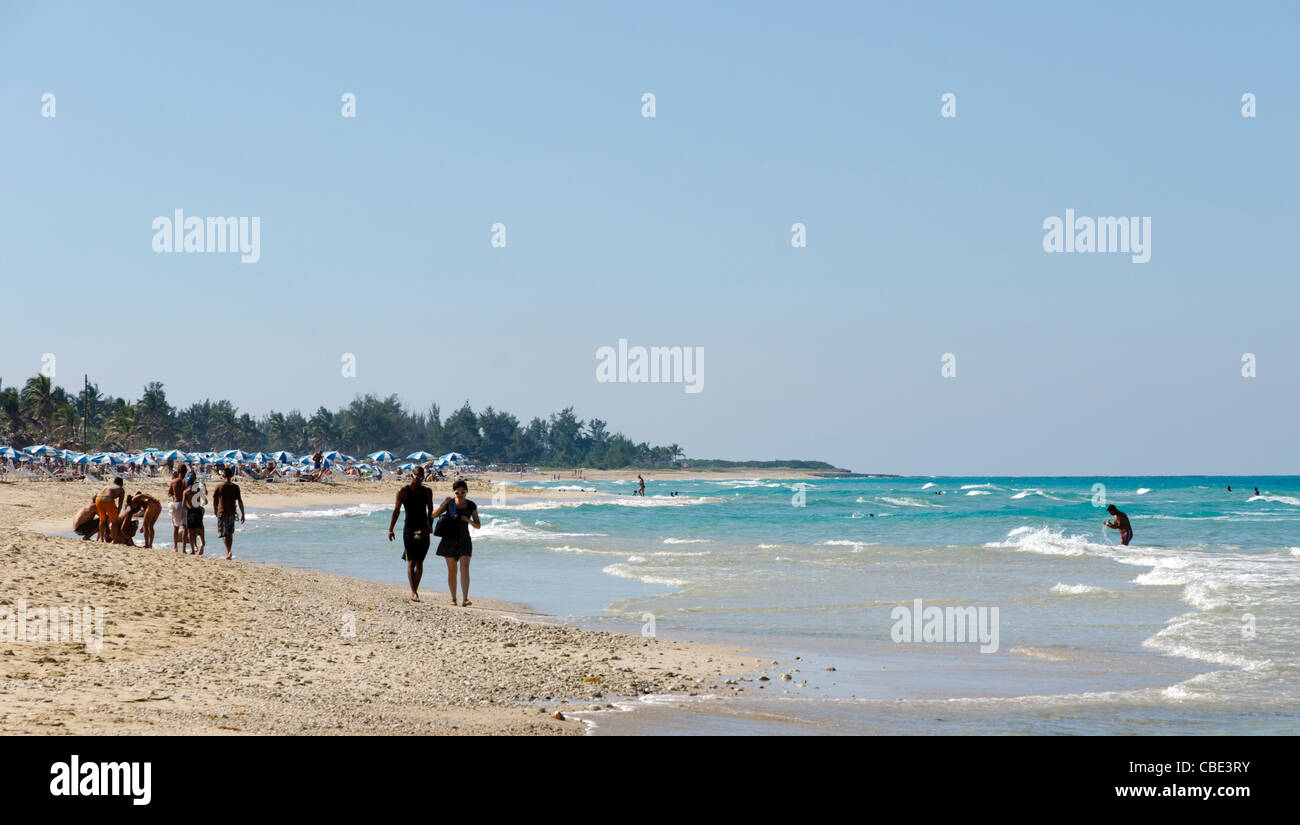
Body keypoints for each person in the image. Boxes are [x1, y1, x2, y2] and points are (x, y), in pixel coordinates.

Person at [387, 466, 434, 602]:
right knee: (411, 561)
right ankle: (414, 592)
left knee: (420, 562)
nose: (419, 480)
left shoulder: (427, 492)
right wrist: (391, 529)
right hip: (410, 530)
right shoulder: (403, 491)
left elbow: (430, 511)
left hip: (422, 529)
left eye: (421, 478)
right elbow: (396, 511)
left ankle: (415, 591)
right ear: (411, 476)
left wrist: (430, 526)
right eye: (417, 477)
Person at [431, 479, 480, 606]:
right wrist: (443, 504)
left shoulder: (471, 505)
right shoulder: (450, 503)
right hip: (449, 539)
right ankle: (453, 599)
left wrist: (469, 521)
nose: (460, 494)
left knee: (465, 567)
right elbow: (433, 515)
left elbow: (478, 525)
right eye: (457, 492)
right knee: (452, 571)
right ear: (454, 492)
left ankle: (465, 599)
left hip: (464, 539)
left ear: (466, 492)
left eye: (462, 492)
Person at [212, 467, 245, 560]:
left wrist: (215, 510)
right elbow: (240, 501)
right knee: (229, 533)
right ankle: (229, 551)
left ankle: (228, 552)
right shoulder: (235, 487)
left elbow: (214, 500)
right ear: (232, 476)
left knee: (224, 533)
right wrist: (243, 514)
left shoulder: (219, 486)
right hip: (231, 513)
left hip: (221, 512)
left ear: (223, 475)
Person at [93, 477, 126, 543]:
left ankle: (101, 539)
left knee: (102, 520)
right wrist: (117, 514)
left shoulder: (107, 486)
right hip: (108, 499)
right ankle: (114, 540)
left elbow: (94, 496)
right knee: (113, 522)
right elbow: (120, 503)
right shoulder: (121, 489)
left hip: (98, 499)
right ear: (121, 483)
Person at [184, 472, 206, 555]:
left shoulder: (186, 492)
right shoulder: (198, 489)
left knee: (190, 532)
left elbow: (183, 504)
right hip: (198, 511)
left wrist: (188, 507)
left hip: (191, 511)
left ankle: (193, 550)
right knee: (199, 530)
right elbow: (205, 501)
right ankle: (201, 544)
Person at [168, 467, 188, 552]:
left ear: (178, 471)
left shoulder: (173, 481)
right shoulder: (185, 482)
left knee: (176, 527)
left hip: (176, 504)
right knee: (185, 527)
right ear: (185, 472)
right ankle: (183, 549)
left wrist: (174, 496)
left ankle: (175, 547)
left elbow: (169, 493)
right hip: (185, 505)